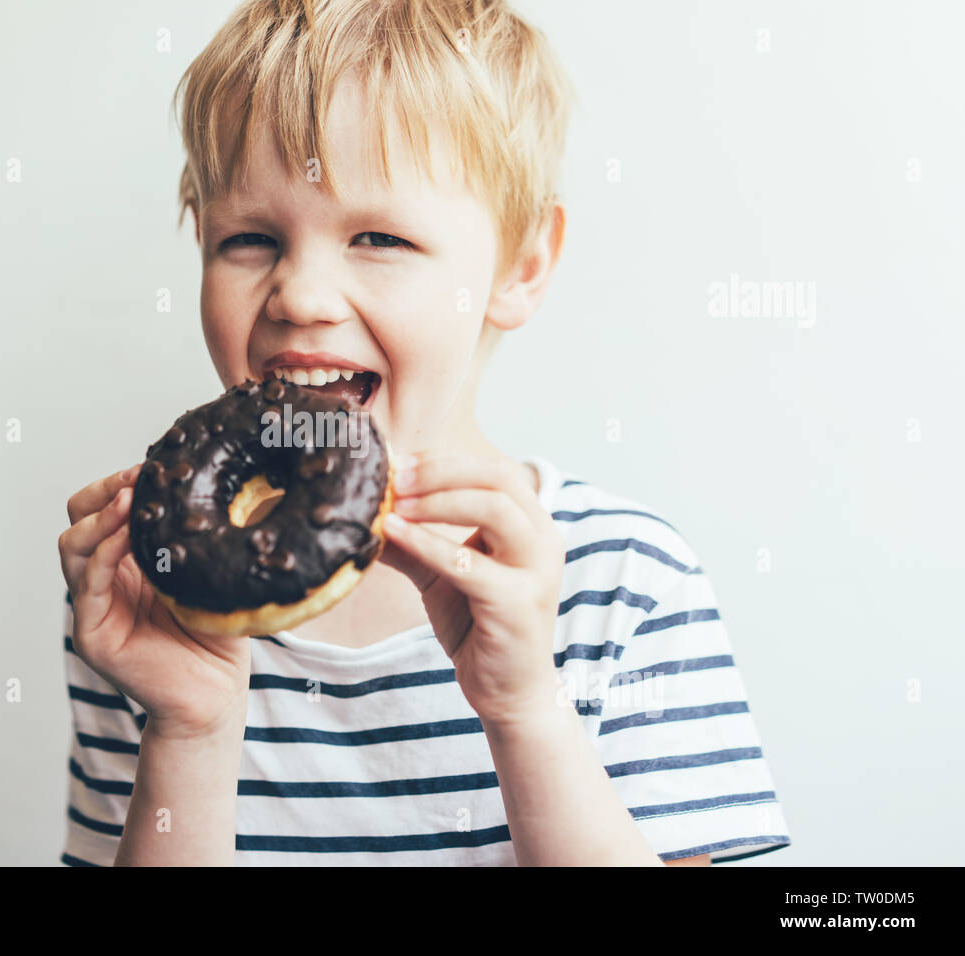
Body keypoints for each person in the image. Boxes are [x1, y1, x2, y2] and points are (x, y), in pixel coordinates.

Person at [57, 0, 791, 866]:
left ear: (521, 267)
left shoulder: (624, 583)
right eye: (248, 238)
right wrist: (190, 728)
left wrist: (526, 712)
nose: (300, 295)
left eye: (378, 236)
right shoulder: (158, 594)